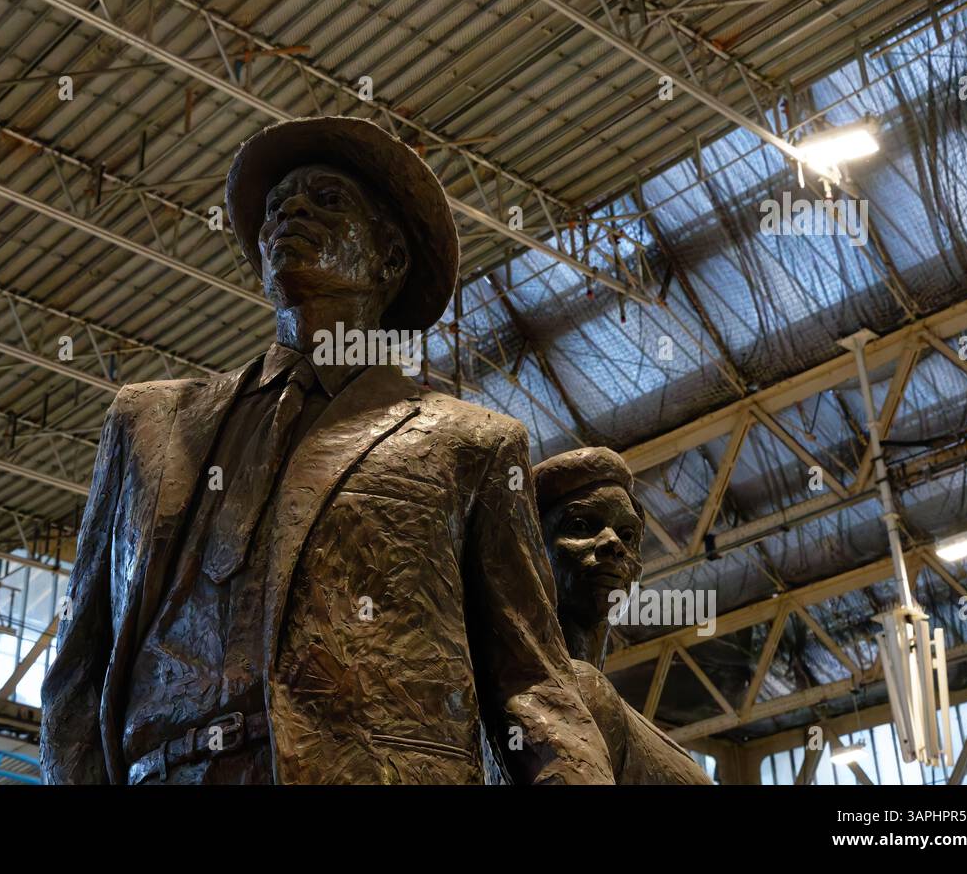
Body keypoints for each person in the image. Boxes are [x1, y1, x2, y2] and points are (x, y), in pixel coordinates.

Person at [40, 116, 613, 784]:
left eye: (328, 200)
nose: (294, 211)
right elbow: (78, 674)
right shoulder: (148, 424)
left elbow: (530, 685)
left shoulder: (470, 446)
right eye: (278, 207)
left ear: (390, 258)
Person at [535, 447, 712, 784]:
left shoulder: (600, 698)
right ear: (532, 548)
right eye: (581, 525)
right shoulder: (574, 692)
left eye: (628, 534)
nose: (613, 542)